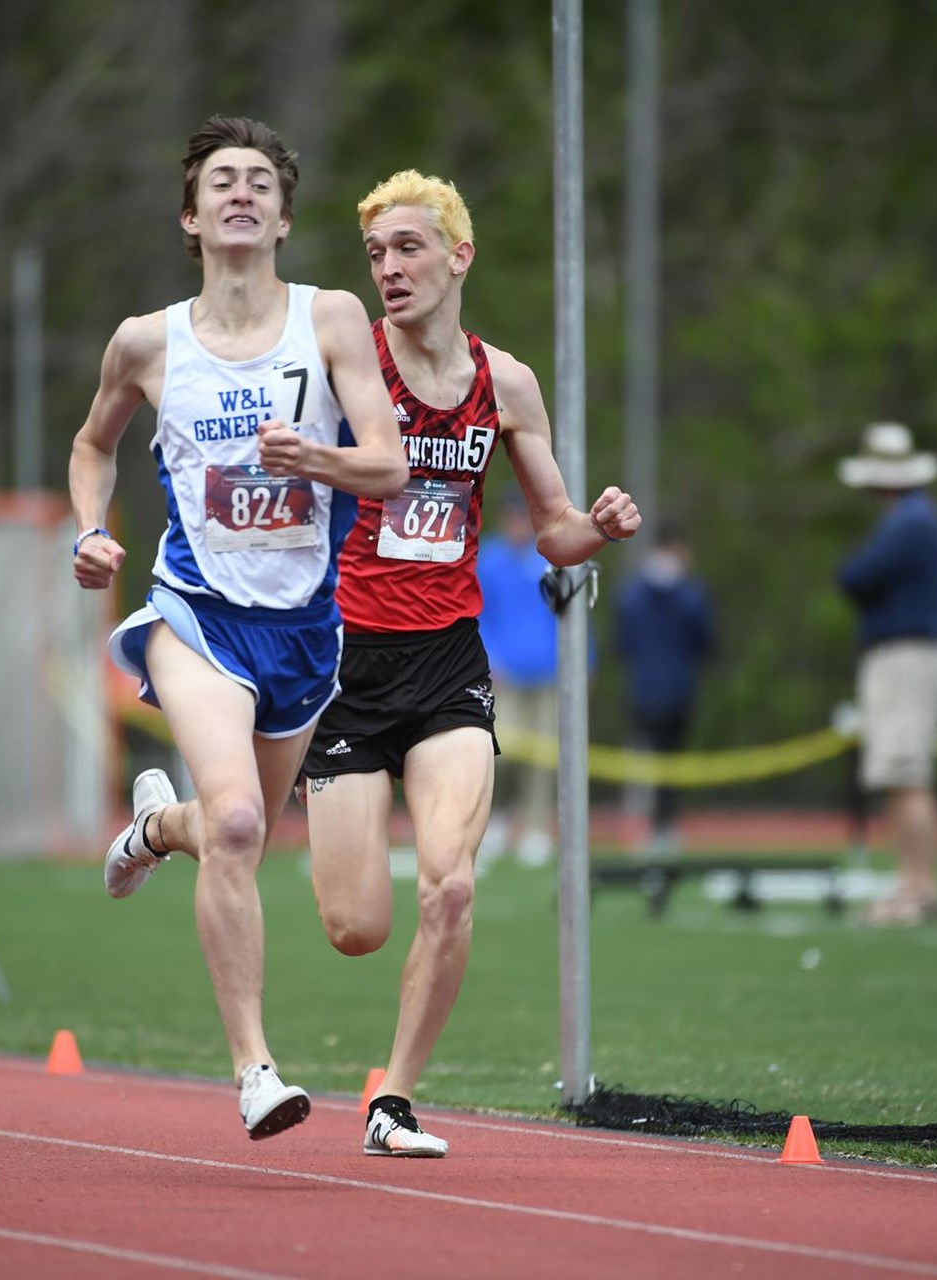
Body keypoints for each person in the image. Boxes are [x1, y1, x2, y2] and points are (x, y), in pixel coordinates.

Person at [69, 115, 407, 1142]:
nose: (242, 192)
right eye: (223, 179)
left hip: (303, 628)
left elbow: (388, 464)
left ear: (285, 216)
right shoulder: (146, 340)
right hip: (193, 610)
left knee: (227, 835)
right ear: (192, 212)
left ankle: (147, 827)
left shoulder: (335, 320)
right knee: (243, 826)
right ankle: (256, 1068)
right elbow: (92, 446)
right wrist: (89, 530)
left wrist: (321, 462)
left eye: (261, 180)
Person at [301, 168, 639, 1155]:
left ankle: (393, 1097)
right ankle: (180, 821)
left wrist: (599, 526)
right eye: (374, 254)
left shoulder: (510, 383)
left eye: (407, 248)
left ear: (459, 254)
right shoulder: (349, 367)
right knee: (355, 926)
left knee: (449, 886)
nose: (389, 269)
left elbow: (556, 532)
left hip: (449, 659)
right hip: (347, 663)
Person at [833, 423, 937, 926]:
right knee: (899, 774)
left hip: (907, 656)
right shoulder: (912, 519)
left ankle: (920, 888)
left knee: (907, 773)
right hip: (904, 655)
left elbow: (856, 575)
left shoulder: (911, 522)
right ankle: (911, 882)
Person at [474, 493, 564, 866]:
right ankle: (494, 820)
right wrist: (489, 657)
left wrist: (581, 661)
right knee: (501, 752)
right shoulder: (489, 561)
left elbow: (569, 612)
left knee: (544, 757)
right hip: (504, 675)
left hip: (548, 673)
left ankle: (536, 826)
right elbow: (477, 612)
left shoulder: (549, 559)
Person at [615, 521, 715, 856]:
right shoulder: (690, 595)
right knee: (668, 760)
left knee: (653, 760)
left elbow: (624, 642)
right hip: (676, 688)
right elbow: (705, 640)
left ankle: (654, 823)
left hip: (643, 687)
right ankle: (662, 825)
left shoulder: (632, 592)